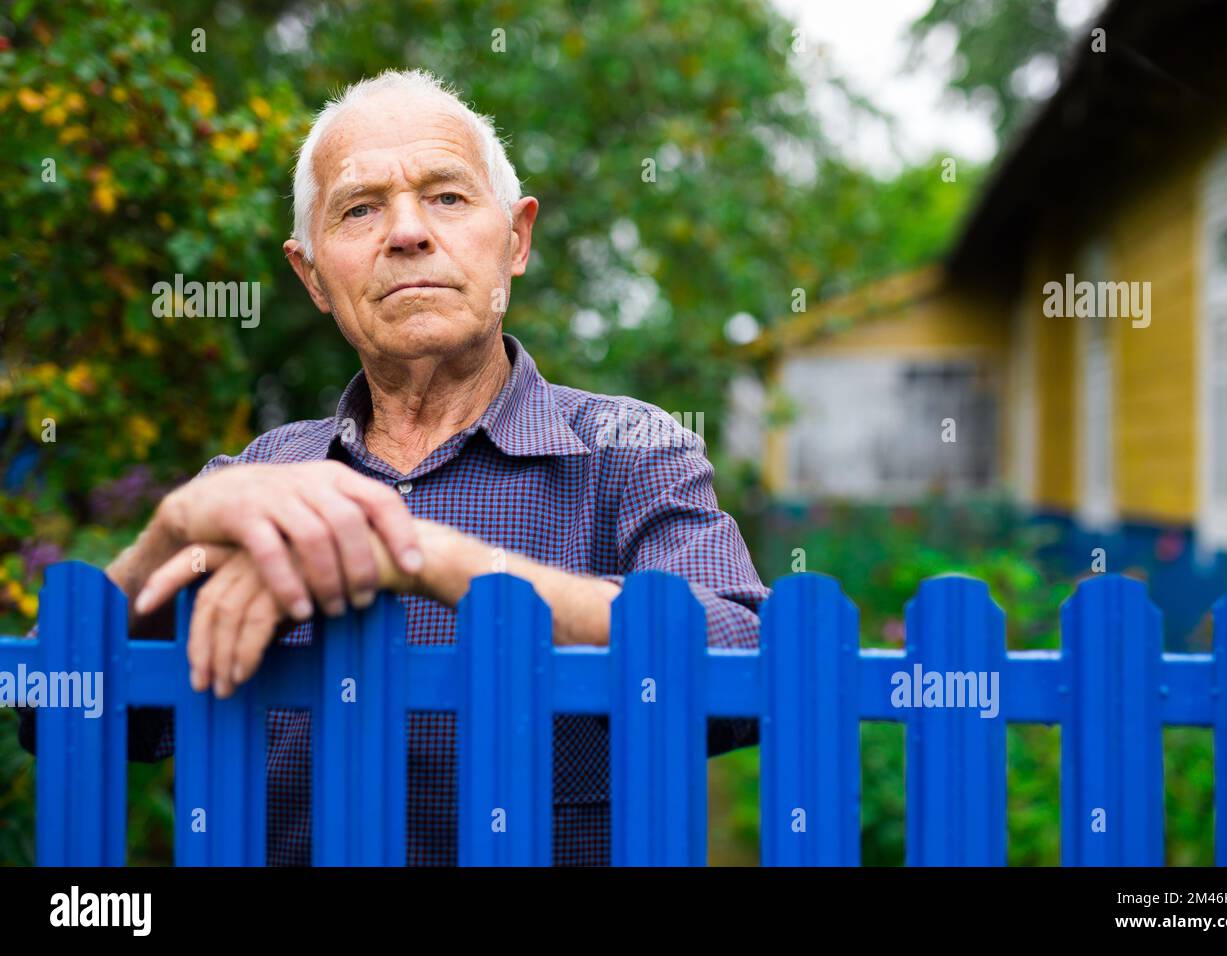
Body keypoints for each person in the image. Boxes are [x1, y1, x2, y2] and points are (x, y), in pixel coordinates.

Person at [18, 68, 768, 865]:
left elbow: (748, 661)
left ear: (515, 240)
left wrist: (430, 560)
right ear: (312, 276)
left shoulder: (630, 448)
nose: (406, 232)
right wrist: (167, 534)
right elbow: (53, 711)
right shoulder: (255, 483)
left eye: (447, 196)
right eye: (360, 208)